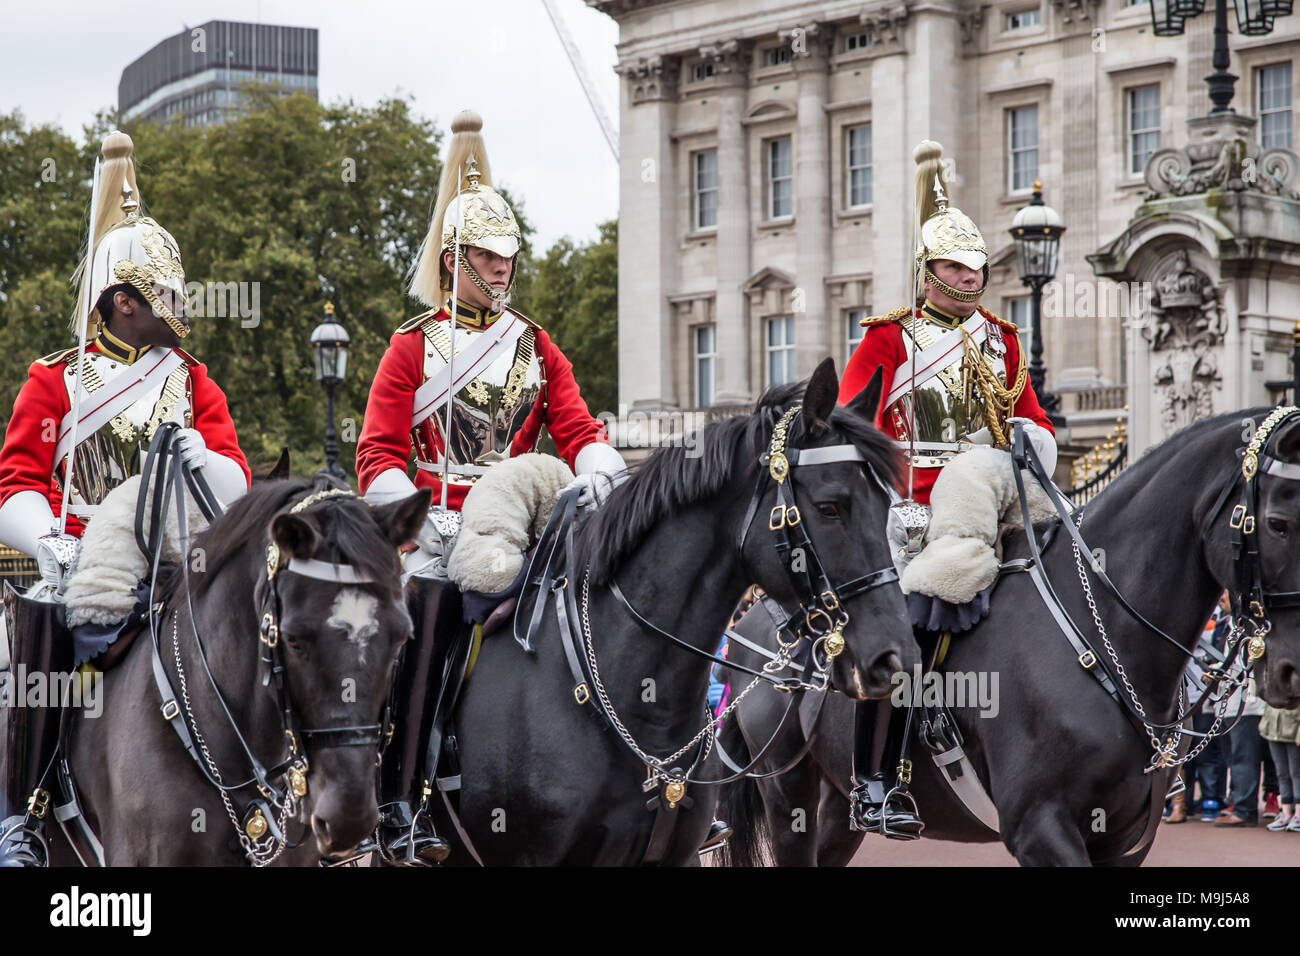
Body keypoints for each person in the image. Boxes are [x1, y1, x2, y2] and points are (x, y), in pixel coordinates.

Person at [355, 111, 628, 864]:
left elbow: (577, 430)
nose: (502, 268)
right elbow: (377, 449)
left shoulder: (536, 345)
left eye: (509, 255)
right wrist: (416, 522)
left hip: (525, 519)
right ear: (454, 260)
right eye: (486, 255)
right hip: (439, 523)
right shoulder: (412, 346)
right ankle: (404, 800)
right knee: (426, 619)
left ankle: (647, 780)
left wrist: (604, 475)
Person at [0, 131, 249, 865]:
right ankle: (22, 814)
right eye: (165, 294)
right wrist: (48, 537)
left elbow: (236, 479)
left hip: (176, 556)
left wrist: (208, 461)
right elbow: (15, 481)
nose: (179, 305)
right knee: (42, 625)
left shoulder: (194, 380)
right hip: (82, 562)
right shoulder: (57, 380)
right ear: (121, 301)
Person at [835, 141, 1056, 838]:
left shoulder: (1002, 341)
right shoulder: (888, 341)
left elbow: (1033, 416)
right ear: (927, 271)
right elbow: (848, 425)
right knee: (907, 629)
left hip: (991, 496)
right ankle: (879, 780)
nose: (969, 277)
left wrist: (1029, 433)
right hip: (914, 509)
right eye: (955, 266)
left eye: (976, 266)